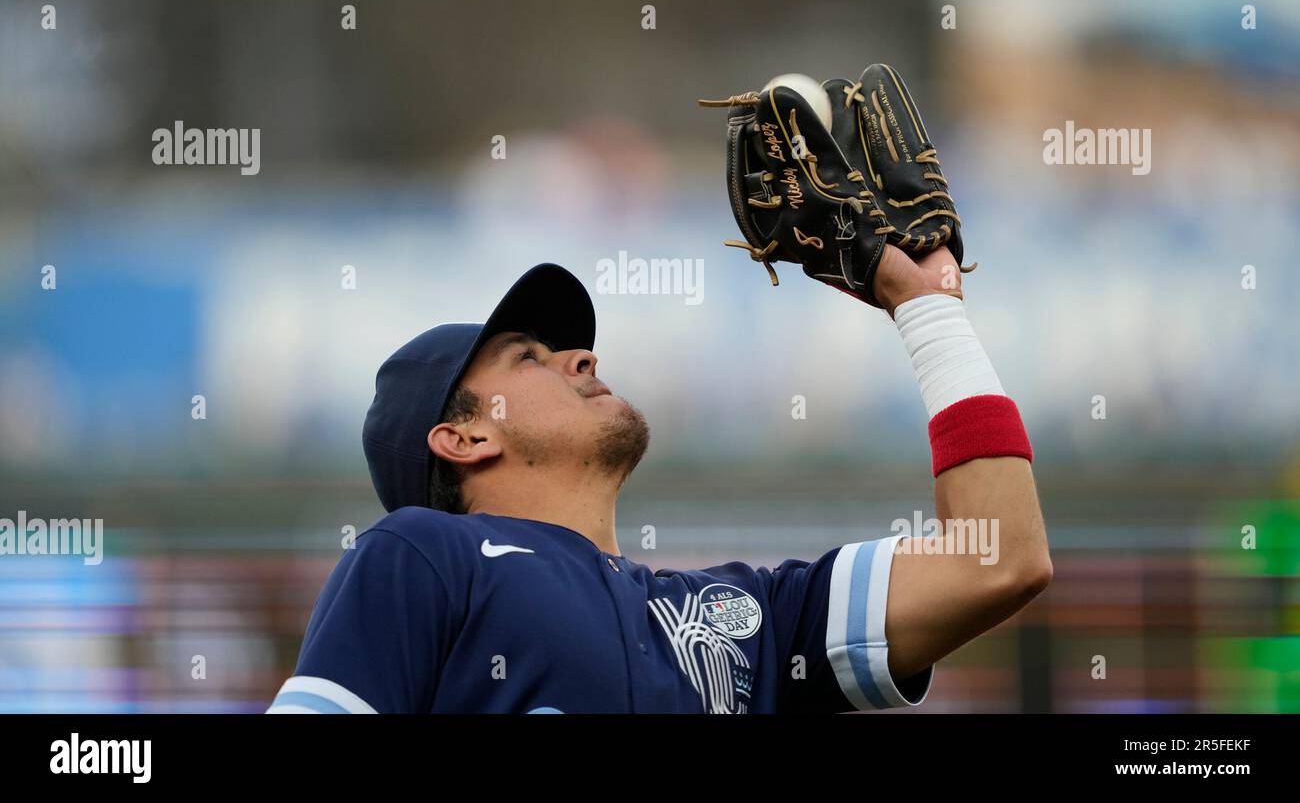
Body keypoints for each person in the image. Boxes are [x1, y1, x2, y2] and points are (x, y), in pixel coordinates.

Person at [268, 251, 1050, 713]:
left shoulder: (747, 618)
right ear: (464, 436)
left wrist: (927, 312)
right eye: (529, 357)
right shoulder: (423, 555)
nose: (584, 357)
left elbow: (999, 562)